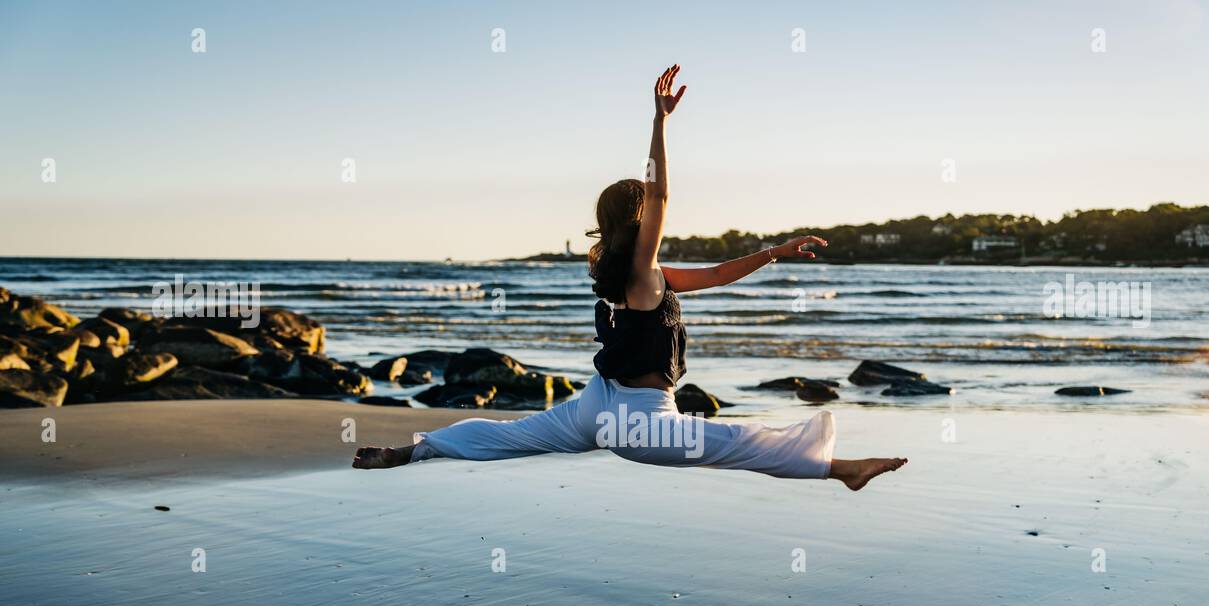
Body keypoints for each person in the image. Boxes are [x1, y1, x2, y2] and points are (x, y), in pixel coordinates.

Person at [355, 65, 907, 490]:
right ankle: (843, 470)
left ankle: (411, 451)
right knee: (738, 442)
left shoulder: (634, 276)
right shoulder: (643, 271)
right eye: (648, 213)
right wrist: (659, 122)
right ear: (639, 220)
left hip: (596, 405)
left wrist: (774, 252)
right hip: (640, 424)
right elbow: (663, 195)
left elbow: (715, 274)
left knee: (510, 435)